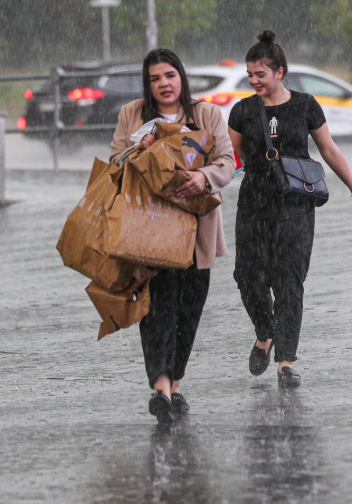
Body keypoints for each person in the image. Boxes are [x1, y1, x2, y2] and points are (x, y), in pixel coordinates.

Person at [228, 30, 352, 388]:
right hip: (254, 202)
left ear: (280, 72)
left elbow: (329, 150)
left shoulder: (306, 105)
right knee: (247, 276)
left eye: (260, 74)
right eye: (250, 75)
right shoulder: (243, 111)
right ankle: (265, 333)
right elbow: (232, 157)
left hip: (295, 202)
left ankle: (285, 361)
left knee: (289, 280)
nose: (254, 81)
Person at [109, 48, 236, 423]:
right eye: (154, 79)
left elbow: (227, 162)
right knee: (157, 309)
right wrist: (138, 149)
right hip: (149, 229)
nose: (163, 84)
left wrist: (203, 177)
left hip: (197, 228)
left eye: (169, 75)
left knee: (189, 309)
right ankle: (161, 387)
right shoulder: (132, 114)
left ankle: (176, 383)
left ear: (181, 77)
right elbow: (115, 162)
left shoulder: (207, 114)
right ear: (147, 85)